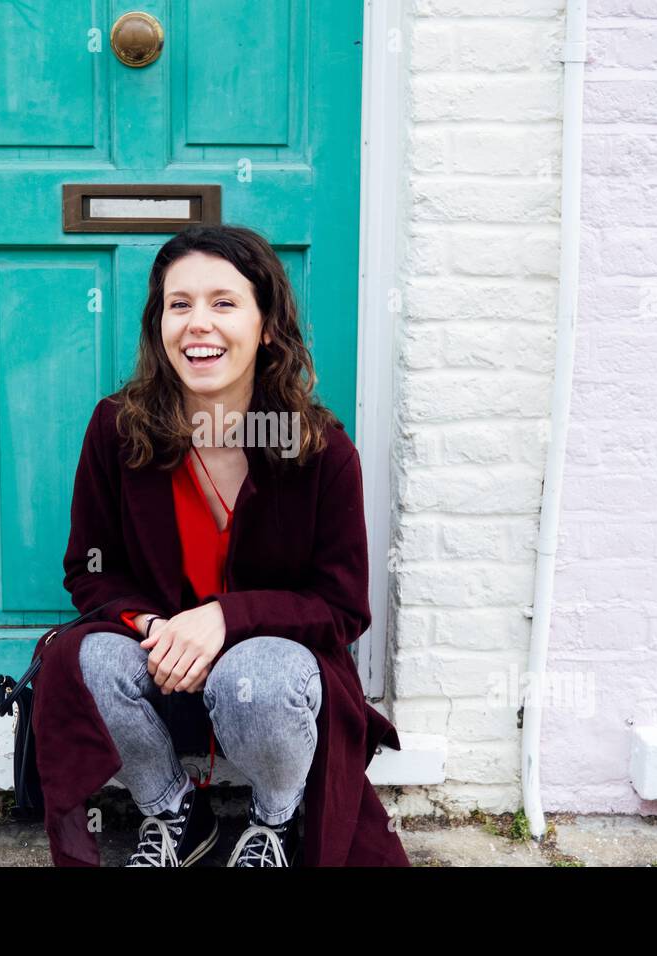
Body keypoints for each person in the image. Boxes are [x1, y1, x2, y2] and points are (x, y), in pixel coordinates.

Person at [33, 223, 411, 867]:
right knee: (87, 658)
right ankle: (175, 812)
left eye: (224, 303)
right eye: (179, 305)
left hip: (269, 692)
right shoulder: (117, 429)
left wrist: (226, 619)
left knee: (256, 671)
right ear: (160, 325)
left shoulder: (319, 450)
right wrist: (156, 627)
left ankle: (274, 823)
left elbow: (342, 607)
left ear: (266, 326)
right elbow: (88, 569)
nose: (197, 324)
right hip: (164, 675)